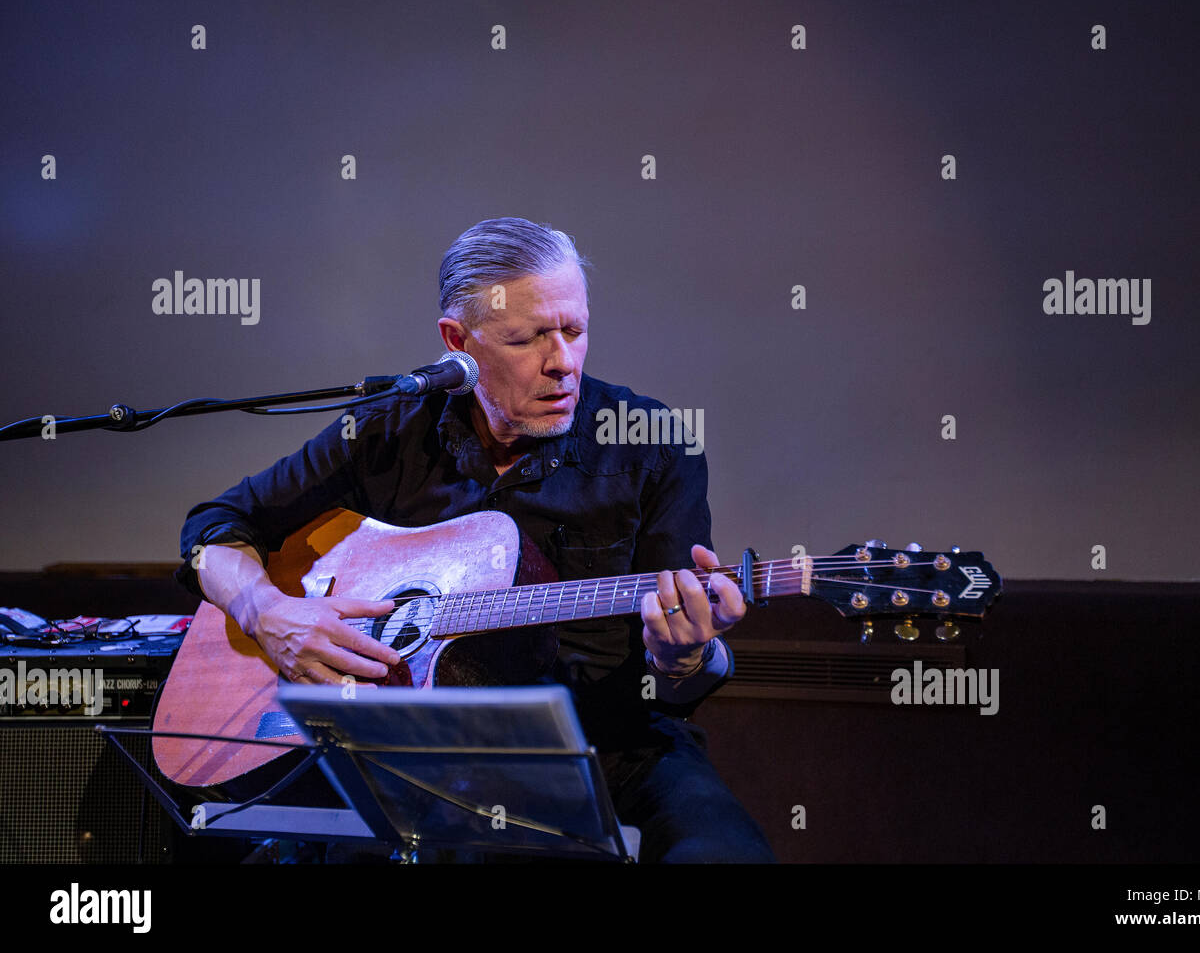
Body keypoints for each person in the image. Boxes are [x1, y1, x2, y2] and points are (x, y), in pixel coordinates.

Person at [175, 216, 775, 863]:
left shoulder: (653, 443)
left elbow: (680, 675)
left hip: (613, 747)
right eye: (527, 339)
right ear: (458, 342)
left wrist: (683, 659)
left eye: (575, 330)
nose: (563, 362)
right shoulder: (384, 433)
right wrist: (268, 613)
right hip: (410, 758)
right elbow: (212, 529)